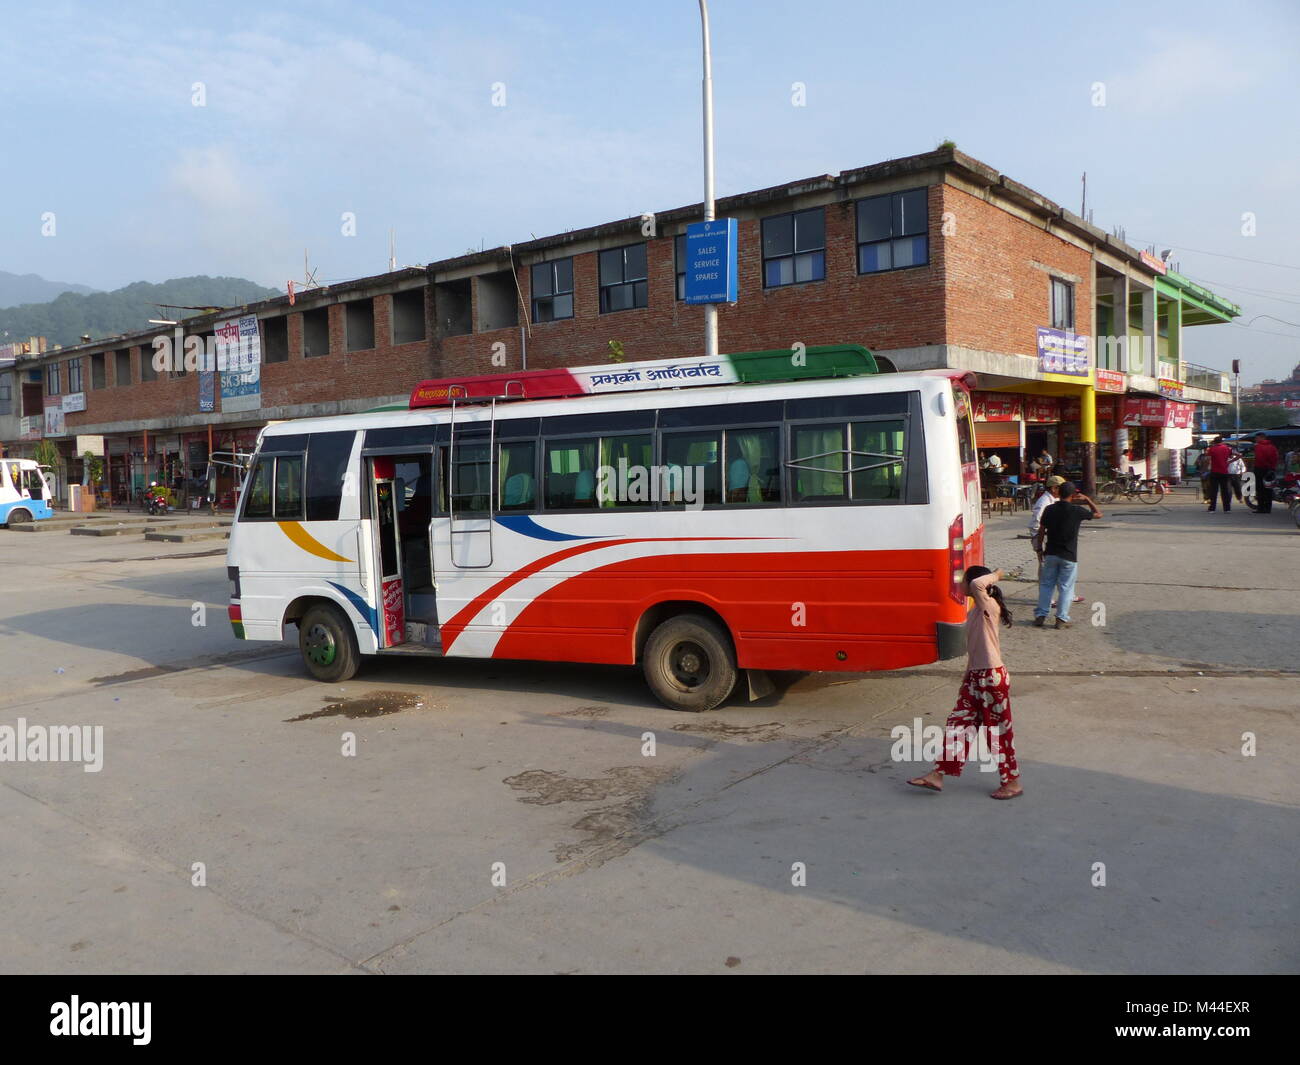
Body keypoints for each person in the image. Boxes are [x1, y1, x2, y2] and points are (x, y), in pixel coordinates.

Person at [907, 566, 1021, 800]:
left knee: (997, 732)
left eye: (964, 580)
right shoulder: (975, 612)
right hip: (976, 678)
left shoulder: (988, 605)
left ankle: (1012, 782)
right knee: (958, 725)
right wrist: (965, 680)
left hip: (991, 677)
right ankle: (937, 775)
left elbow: (978, 585)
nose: (960, 585)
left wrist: (999, 574)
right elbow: (974, 650)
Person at [1034, 481, 1102, 629]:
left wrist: (1039, 548)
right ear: (1073, 495)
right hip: (1069, 555)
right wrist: (1088, 500)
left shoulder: (1049, 509)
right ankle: (1060, 618)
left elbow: (1041, 530)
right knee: (1066, 587)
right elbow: (1099, 514)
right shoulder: (1077, 510)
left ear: (1058, 493)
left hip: (1050, 553)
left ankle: (1041, 614)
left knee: (1046, 585)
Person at [1029, 475, 1066, 578]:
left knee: (1052, 568)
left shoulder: (1054, 500)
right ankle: (1045, 591)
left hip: (1051, 538)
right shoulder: (1044, 502)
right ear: (1054, 488)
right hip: (1044, 539)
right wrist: (1038, 545)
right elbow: (1035, 524)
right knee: (1045, 567)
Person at [1252, 433, 1280, 513]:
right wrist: (1272, 467)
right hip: (1270, 469)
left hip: (1260, 469)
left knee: (1260, 489)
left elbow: (1259, 458)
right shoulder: (1272, 447)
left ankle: (1261, 508)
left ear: (1261, 438)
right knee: (1268, 489)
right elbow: (1275, 458)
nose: (1255, 440)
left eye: (1256, 438)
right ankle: (1268, 508)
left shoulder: (1258, 447)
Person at [1205, 436, 1233, 513]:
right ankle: (1227, 509)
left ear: (1214, 442)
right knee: (1225, 491)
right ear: (1222, 441)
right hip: (1224, 472)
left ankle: (1212, 508)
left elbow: (1207, 458)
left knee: (1213, 491)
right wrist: (1229, 462)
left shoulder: (1212, 449)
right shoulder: (1227, 448)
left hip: (1214, 472)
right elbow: (1238, 455)